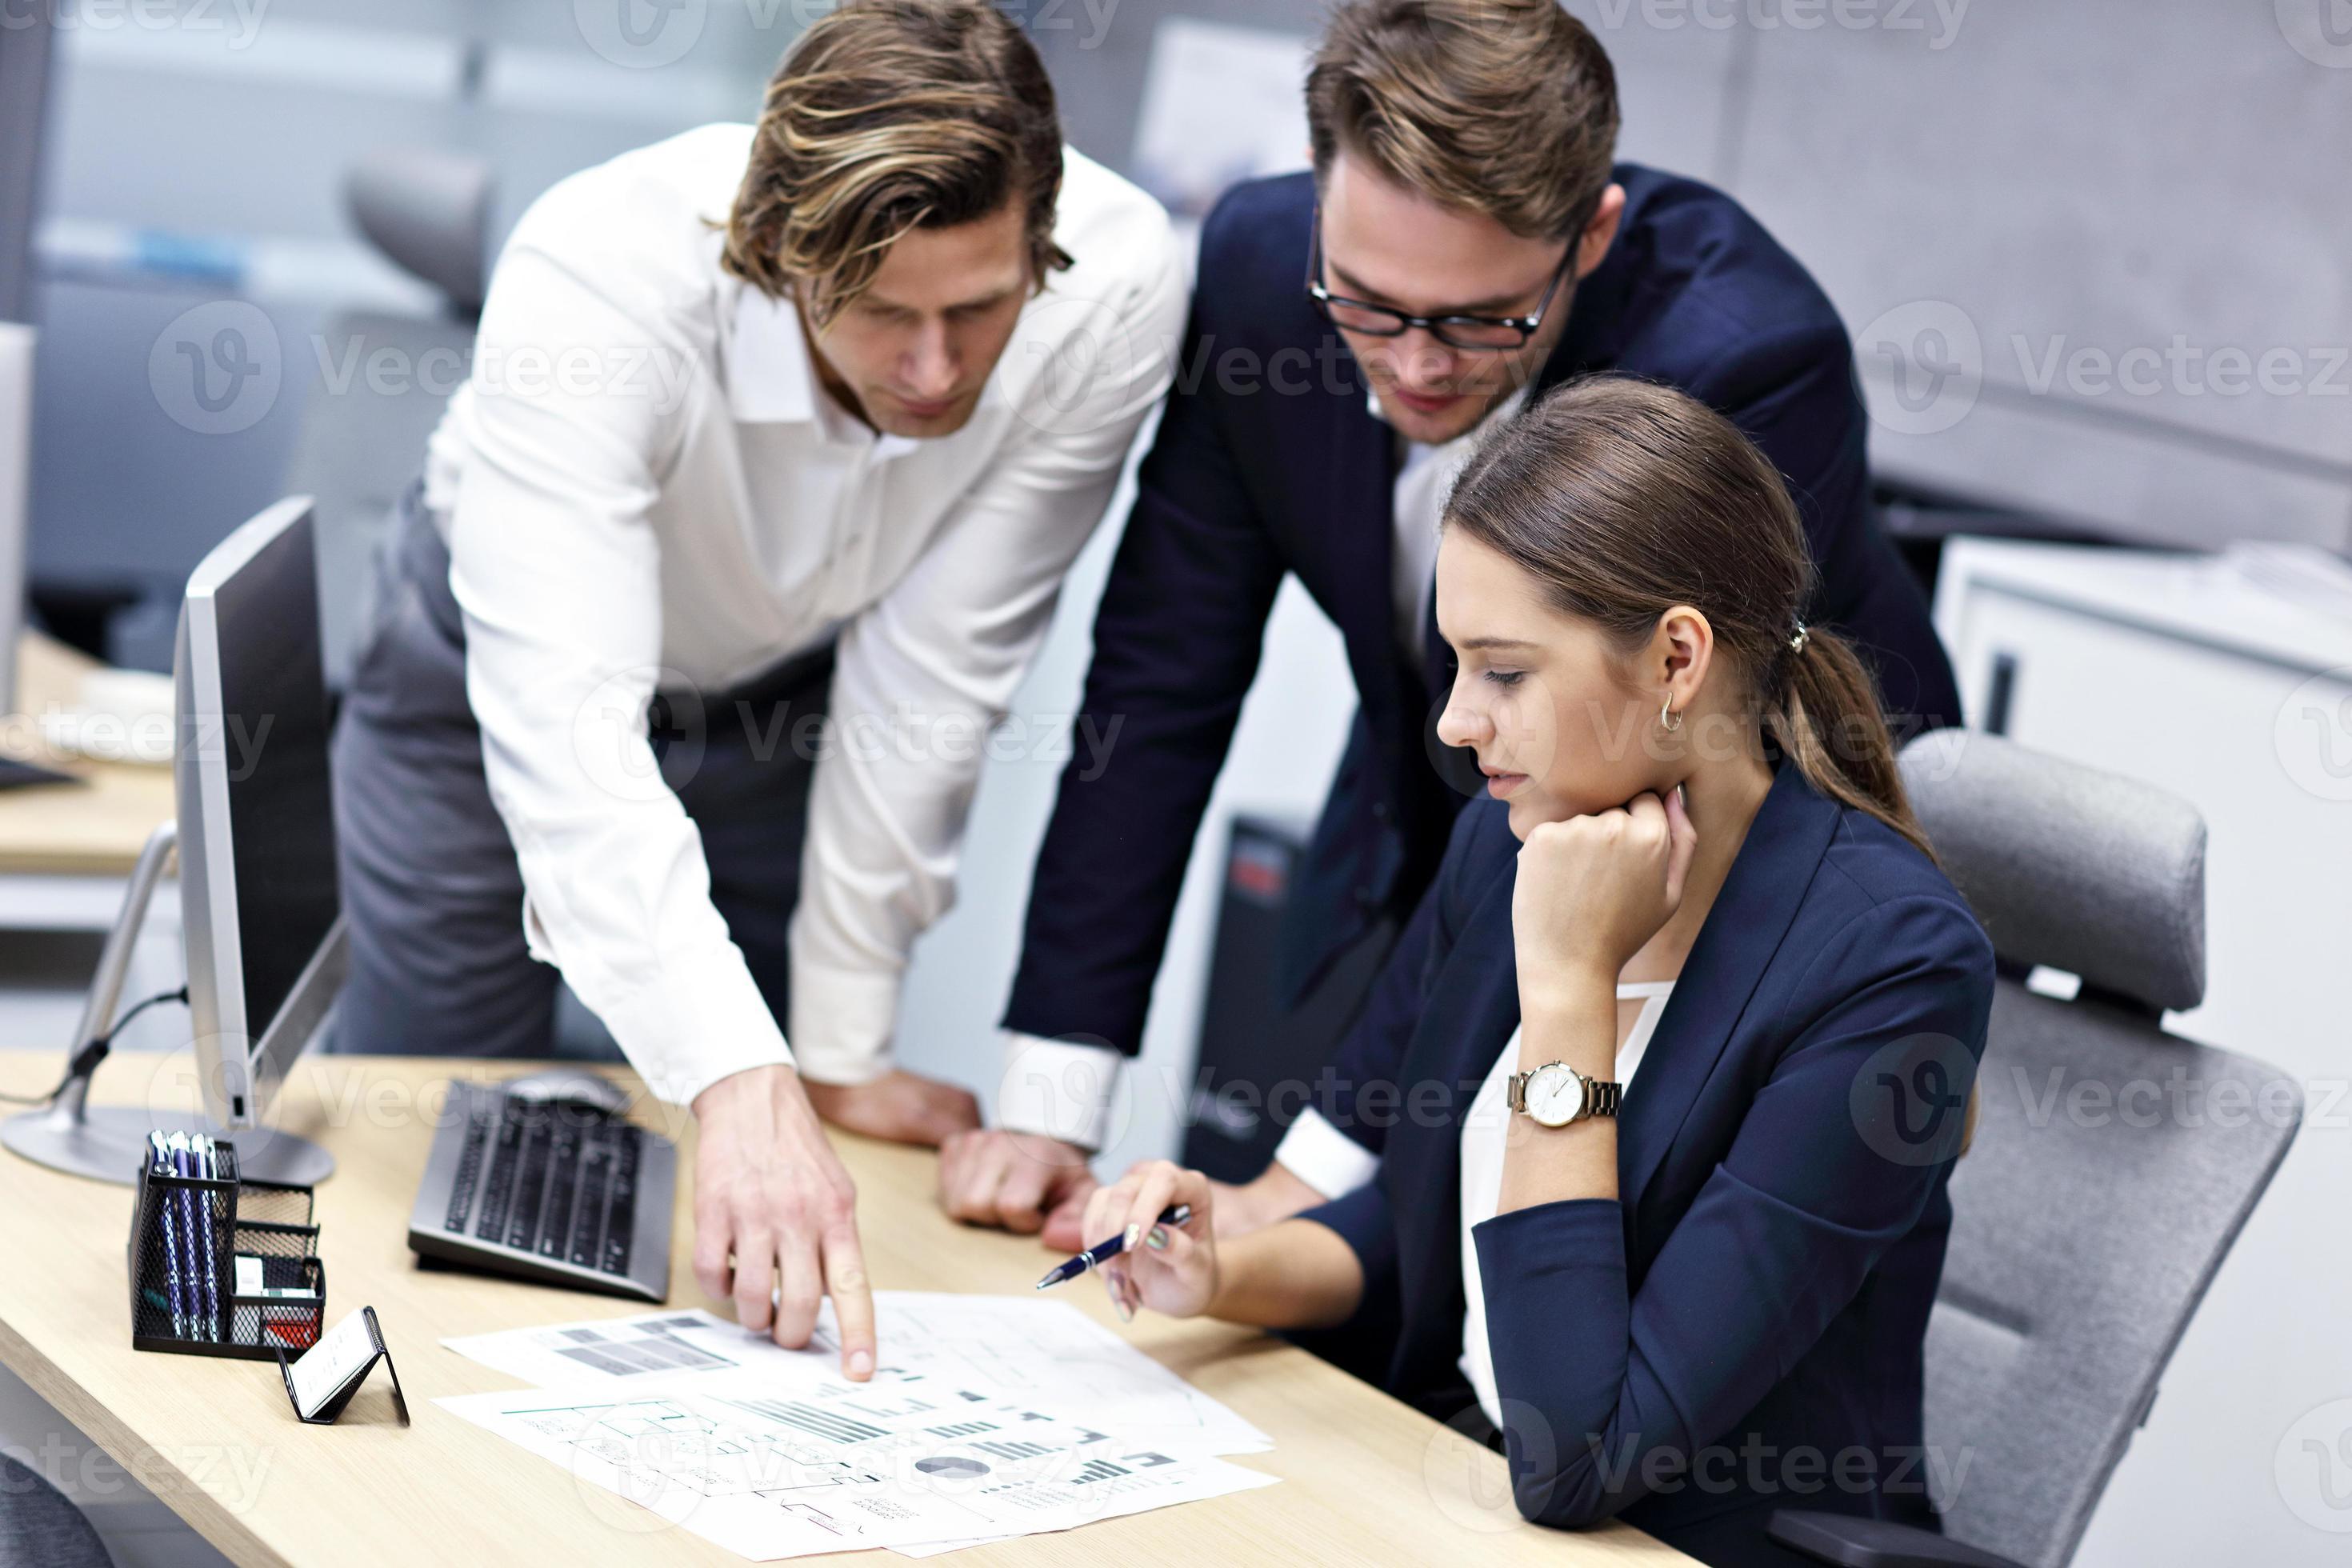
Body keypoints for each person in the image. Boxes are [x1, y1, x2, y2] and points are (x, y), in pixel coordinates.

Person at [946, 0, 1963, 1244]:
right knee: (1312, 1257)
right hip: (1432, 816)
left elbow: (1630, 795)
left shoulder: (1740, 359)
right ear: (1321, 200)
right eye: (1368, 305)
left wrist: (1303, 1181)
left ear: (1591, 236)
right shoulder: (1264, 277)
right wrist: (1053, 1104)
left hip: (1725, 886)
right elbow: (1161, 684)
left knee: (1528, 1293)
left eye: (1485, 320)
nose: (1417, 364)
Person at [329, 0, 1186, 1376]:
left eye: (979, 309)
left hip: (783, 701)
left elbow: (939, 673)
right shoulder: (596, 275)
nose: (932, 370)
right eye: (881, 315)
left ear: (1041, 242)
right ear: (780, 258)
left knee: (761, 1196)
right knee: (455, 1159)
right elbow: (569, 731)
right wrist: (741, 1074)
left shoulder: (1118, 282)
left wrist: (830, 1048)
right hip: (491, 698)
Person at [1077, 378, 1994, 1567]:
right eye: (1455, 666)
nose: (1457, 722)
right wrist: (1224, 1268)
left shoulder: (1889, 971)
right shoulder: (1512, 839)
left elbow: (1582, 1456)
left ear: (1677, 658)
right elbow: (1423, 1236)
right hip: (1462, 1494)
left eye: (1504, 673)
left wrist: (1570, 992)